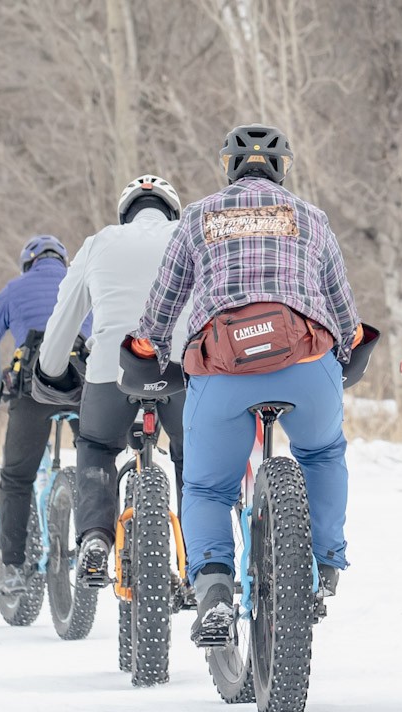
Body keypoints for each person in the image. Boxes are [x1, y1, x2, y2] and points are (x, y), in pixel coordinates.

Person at [136, 125, 359, 647]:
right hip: (306, 363)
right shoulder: (312, 218)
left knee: (207, 487)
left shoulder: (197, 217)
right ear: (283, 169)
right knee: (323, 452)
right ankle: (325, 562)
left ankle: (214, 591)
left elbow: (162, 309)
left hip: (223, 369)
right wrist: (347, 352)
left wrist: (152, 349)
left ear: (228, 167)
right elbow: (344, 313)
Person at [39, 176, 189, 591]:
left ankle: (95, 538)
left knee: (97, 445)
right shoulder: (189, 235)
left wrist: (51, 369)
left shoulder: (98, 243)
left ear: (126, 213)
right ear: (171, 210)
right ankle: (200, 553)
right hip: (183, 369)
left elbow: (64, 317)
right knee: (193, 451)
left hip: (112, 369)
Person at [0, 235, 89, 595]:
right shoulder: (85, 280)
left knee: (16, 478)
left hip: (34, 390)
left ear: (28, 263)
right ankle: (98, 544)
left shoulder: (15, 289)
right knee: (96, 462)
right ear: (63, 261)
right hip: (84, 387)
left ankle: (12, 567)